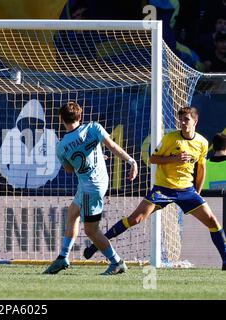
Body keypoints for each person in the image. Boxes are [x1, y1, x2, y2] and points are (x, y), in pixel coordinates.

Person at [83, 107, 226, 270]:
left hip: (187, 191)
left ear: (195, 121)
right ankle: (96, 246)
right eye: (181, 120)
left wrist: (197, 194)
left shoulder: (202, 142)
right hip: (163, 189)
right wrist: (174, 158)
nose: (183, 123)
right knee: (135, 219)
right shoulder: (170, 139)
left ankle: (225, 261)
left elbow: (201, 168)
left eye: (186, 119)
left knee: (213, 222)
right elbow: (152, 159)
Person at [43, 102, 138, 275]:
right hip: (96, 182)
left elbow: (70, 169)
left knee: (91, 230)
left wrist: (83, 159)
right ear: (80, 117)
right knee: (72, 213)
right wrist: (131, 161)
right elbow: (113, 146)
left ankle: (116, 262)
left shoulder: (61, 146)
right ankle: (63, 257)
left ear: (60, 119)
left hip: (90, 188)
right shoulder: (93, 127)